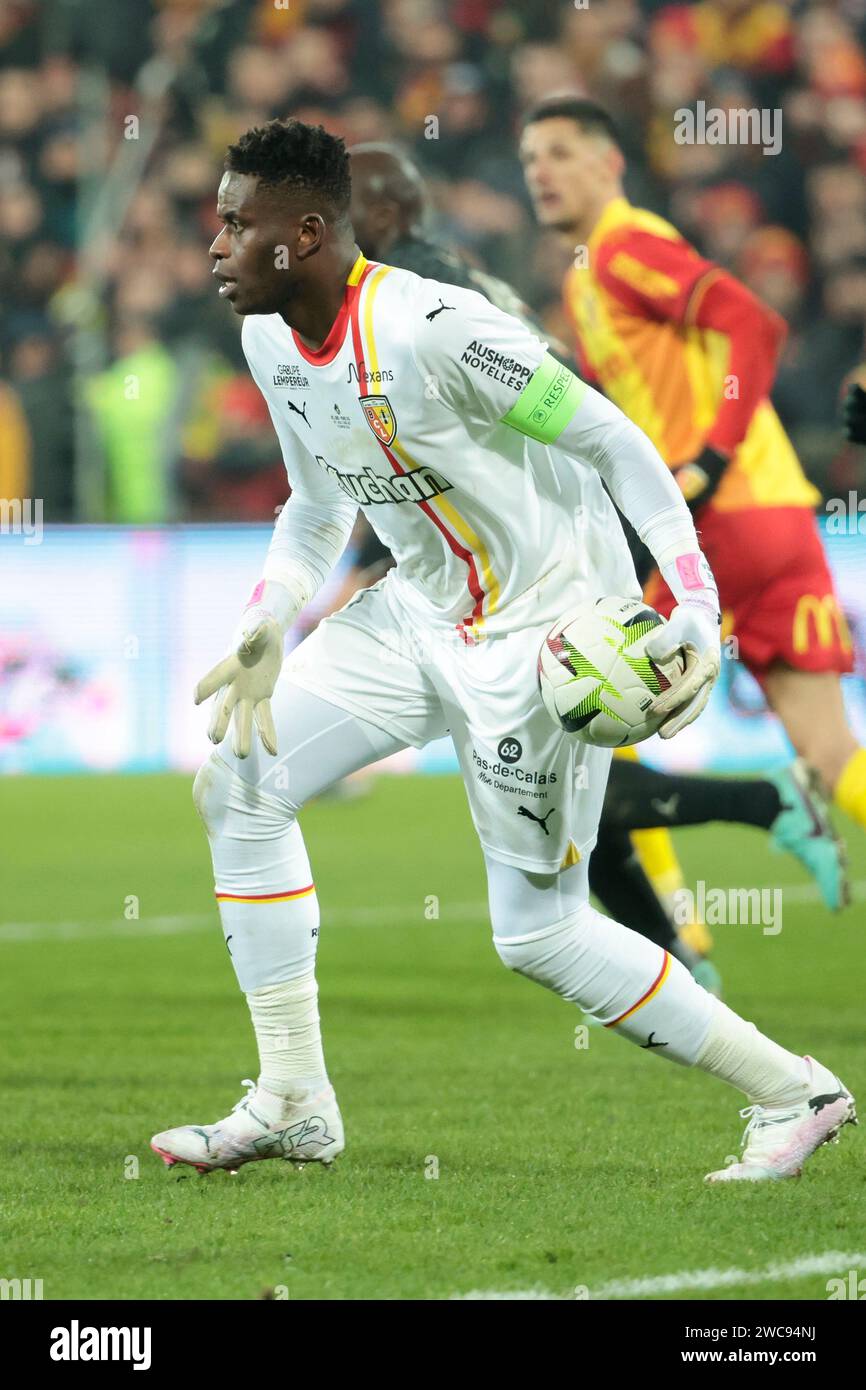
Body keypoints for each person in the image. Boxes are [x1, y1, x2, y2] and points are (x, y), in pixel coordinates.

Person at [150, 118, 854, 1184]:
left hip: (545, 639)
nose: (213, 247)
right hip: (418, 616)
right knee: (237, 784)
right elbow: (311, 500)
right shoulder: (265, 338)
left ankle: (794, 1090)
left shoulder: (436, 329)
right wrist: (269, 616)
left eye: (235, 224)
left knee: (537, 935)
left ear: (302, 232)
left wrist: (694, 603)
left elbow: (612, 440)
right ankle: (293, 1097)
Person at [519, 97, 866, 847]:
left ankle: (680, 938)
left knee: (589, 712)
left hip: (712, 522)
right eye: (529, 160)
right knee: (834, 753)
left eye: (559, 153)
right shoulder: (583, 281)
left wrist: (706, 460)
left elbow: (753, 322)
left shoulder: (623, 246)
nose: (540, 172)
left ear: (609, 162)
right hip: (778, 513)